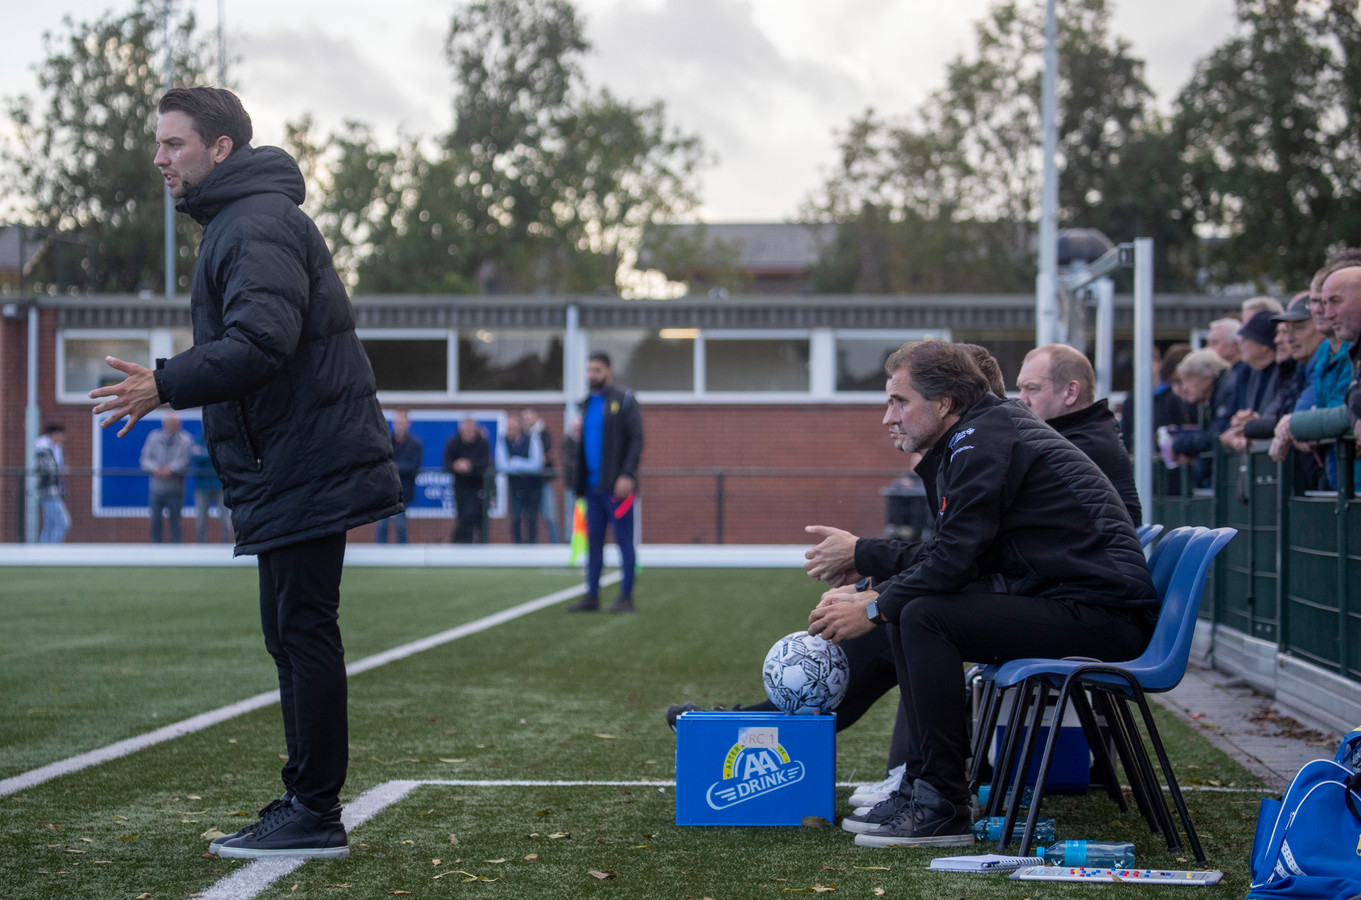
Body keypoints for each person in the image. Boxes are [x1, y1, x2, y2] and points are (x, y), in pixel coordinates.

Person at [89, 86, 401, 860]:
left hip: (303, 458)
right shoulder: (243, 220)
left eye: (173, 144)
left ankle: (314, 811)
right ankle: (307, 800)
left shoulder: (255, 222)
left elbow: (263, 339)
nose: (159, 158)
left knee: (301, 631)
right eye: (157, 144)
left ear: (219, 148)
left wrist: (167, 381)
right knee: (292, 631)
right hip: (293, 460)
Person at [808, 340, 1155, 848]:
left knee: (924, 614)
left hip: (1106, 616)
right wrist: (875, 581)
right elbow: (952, 555)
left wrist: (877, 604)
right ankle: (923, 785)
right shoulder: (979, 433)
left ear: (945, 402)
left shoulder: (983, 438)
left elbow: (953, 560)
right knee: (918, 610)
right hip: (1073, 601)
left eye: (900, 402)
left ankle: (943, 803)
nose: (888, 417)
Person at [1015, 343, 1141, 523]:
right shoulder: (1086, 432)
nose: (1022, 400)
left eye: (1032, 388)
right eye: (1020, 389)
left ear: (1071, 392)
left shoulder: (1085, 445)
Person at [567, 352, 644, 613]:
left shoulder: (624, 400)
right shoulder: (586, 404)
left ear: (609, 371)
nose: (592, 376)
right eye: (589, 370)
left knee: (624, 541)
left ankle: (626, 597)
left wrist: (628, 475)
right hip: (591, 488)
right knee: (594, 542)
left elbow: (637, 439)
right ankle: (592, 595)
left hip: (617, 488)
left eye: (597, 370)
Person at [140, 411, 193, 543]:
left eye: (176, 423)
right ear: (164, 424)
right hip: (157, 489)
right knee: (155, 523)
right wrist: (156, 469)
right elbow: (145, 460)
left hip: (176, 490)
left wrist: (171, 469)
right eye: (171, 423)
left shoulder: (186, 440)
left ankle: (177, 555)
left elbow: (186, 460)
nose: (174, 426)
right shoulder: (153, 438)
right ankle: (156, 554)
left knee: (176, 524)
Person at [496, 413, 544, 544]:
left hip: (533, 486)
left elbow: (537, 464)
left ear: (519, 429)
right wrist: (524, 464)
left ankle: (532, 546)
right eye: (508, 428)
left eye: (513, 428)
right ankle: (517, 546)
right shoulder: (503, 440)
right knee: (516, 517)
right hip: (515, 486)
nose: (509, 432)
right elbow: (502, 465)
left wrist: (516, 462)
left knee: (532, 518)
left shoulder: (532, 439)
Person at [376, 411, 422, 544]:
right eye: (397, 423)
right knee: (382, 525)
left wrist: (393, 467)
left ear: (408, 424)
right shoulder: (385, 442)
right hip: (385, 491)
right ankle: (379, 555)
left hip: (404, 491)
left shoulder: (415, 444)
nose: (399, 426)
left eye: (402, 422)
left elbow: (413, 466)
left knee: (401, 525)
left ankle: (403, 555)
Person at [443, 418, 491, 543]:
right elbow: (446, 464)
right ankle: (461, 544)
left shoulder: (482, 443)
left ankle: (462, 542)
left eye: (473, 431)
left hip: (478, 488)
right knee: (462, 517)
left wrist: (470, 466)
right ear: (461, 430)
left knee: (474, 517)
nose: (471, 434)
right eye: (468, 431)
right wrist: (456, 465)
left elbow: (485, 463)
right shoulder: (453, 443)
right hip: (460, 488)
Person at [523, 408, 562, 543]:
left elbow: (545, 457)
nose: (528, 421)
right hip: (528, 482)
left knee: (550, 516)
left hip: (543, 481)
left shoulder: (544, 433)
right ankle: (530, 546)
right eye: (525, 418)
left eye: (530, 417)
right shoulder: (523, 436)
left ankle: (556, 544)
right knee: (529, 516)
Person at [190, 440, 233, 544]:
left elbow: (225, 456)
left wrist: (203, 452)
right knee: (200, 520)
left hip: (221, 484)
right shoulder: (199, 437)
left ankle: (226, 547)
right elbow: (193, 457)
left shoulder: (221, 435)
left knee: (225, 519)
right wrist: (212, 453)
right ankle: (201, 548)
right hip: (202, 485)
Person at [34, 423, 70, 543]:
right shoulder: (42, 447)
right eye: (61, 435)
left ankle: (44, 553)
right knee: (63, 522)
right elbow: (48, 468)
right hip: (48, 491)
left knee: (49, 523)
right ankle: (53, 551)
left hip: (56, 491)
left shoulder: (56, 448)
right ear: (53, 434)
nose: (63, 438)